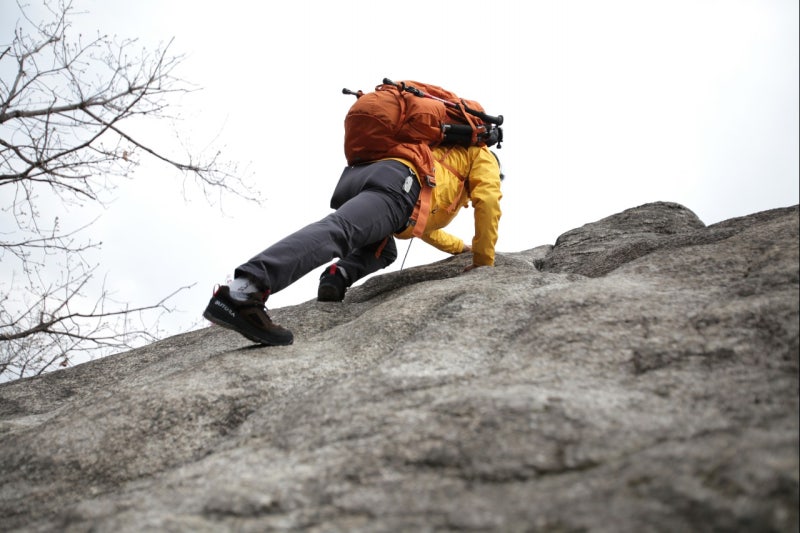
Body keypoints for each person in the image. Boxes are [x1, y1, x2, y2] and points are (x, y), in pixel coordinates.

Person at [202, 144, 503, 346]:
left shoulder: (446, 162)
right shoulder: (483, 157)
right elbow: (488, 200)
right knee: (340, 231)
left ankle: (338, 276)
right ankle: (244, 290)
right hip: (400, 185)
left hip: (379, 175)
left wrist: (461, 248)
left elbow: (423, 228)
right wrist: (483, 261)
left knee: (384, 250)